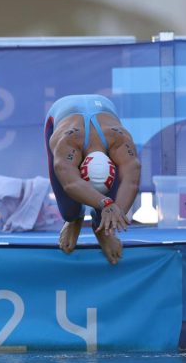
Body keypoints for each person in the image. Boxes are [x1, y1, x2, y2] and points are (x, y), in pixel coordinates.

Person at [46, 94, 140, 265]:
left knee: (114, 202)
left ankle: (100, 227)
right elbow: (71, 183)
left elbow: (131, 182)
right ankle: (75, 220)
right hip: (61, 113)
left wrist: (114, 215)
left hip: (104, 110)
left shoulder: (119, 140)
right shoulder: (66, 141)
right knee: (68, 211)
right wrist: (106, 204)